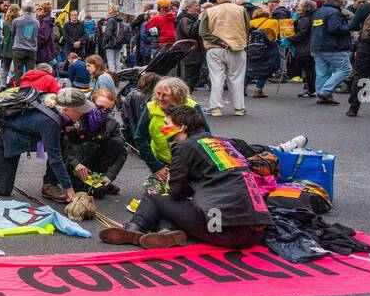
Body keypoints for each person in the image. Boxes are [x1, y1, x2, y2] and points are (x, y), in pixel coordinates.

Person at [100, 105, 269, 250]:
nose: (162, 128)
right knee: (174, 205)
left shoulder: (184, 147)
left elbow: (176, 191)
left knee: (155, 197)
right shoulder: (225, 142)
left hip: (222, 230)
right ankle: (164, 233)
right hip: (255, 231)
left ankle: (134, 228)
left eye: (166, 124)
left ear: (181, 127)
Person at [0, 88, 90, 203]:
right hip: (1, 141)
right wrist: (69, 188)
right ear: (66, 109)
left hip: (21, 138)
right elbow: (55, 159)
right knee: (2, 189)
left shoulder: (52, 101)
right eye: (80, 111)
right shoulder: (49, 122)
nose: (83, 113)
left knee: (62, 140)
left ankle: (49, 185)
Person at [133, 77, 210, 188]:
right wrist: (155, 166)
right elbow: (140, 137)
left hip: (188, 161)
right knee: (154, 194)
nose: (160, 98)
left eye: (164, 95)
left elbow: (206, 137)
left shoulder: (192, 107)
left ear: (177, 95)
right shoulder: (151, 107)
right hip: (161, 161)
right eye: (158, 94)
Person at [60, 88, 128, 199]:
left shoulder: (111, 123)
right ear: (91, 102)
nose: (103, 112)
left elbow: (123, 152)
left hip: (92, 163)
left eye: (108, 110)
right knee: (99, 193)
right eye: (99, 107)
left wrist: (109, 175)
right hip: (74, 164)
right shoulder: (75, 116)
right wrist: (75, 163)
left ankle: (100, 181)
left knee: (118, 143)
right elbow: (59, 145)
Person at [200, 0, 249, 117]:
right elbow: (247, 28)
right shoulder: (241, 9)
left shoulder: (210, 11)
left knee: (216, 78)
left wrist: (218, 41)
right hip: (237, 47)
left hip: (216, 49)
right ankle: (239, 108)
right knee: (237, 79)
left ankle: (215, 108)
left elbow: (203, 32)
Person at [310, 0, 352, 106]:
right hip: (331, 46)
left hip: (317, 45)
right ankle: (325, 91)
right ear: (338, 0)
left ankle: (321, 95)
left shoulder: (319, 11)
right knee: (345, 69)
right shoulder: (334, 12)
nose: (344, 1)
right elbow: (335, 29)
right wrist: (349, 26)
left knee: (322, 72)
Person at [246, 7, 283, 98]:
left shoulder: (251, 22)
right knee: (266, 68)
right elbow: (277, 35)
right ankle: (258, 89)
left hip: (253, 48)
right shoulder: (274, 22)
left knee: (250, 68)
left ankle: (243, 88)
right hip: (268, 48)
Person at [288, 0, 316, 99]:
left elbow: (303, 33)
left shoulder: (304, 19)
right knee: (310, 70)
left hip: (305, 47)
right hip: (308, 47)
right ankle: (311, 89)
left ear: (305, 9)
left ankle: (311, 90)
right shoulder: (306, 17)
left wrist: (291, 38)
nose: (297, 7)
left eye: (299, 6)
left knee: (309, 71)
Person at [174, 0, 204, 90]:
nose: (198, 7)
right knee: (190, 77)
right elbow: (191, 32)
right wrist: (199, 20)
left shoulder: (190, 18)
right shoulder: (184, 19)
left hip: (193, 51)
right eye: (196, 6)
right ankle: (185, 98)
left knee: (193, 76)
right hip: (189, 52)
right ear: (188, 7)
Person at [11, 1, 40, 83]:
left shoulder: (16, 21)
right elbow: (37, 34)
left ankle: (18, 91)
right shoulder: (37, 22)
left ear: (22, 8)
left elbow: (12, 33)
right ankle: (28, 91)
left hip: (18, 49)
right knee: (30, 74)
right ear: (32, 10)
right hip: (31, 50)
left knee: (18, 73)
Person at [98, 6, 129, 73]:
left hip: (110, 43)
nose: (108, 11)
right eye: (108, 9)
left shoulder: (110, 20)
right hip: (118, 42)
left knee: (110, 61)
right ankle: (119, 75)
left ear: (113, 11)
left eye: (110, 9)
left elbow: (108, 33)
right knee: (117, 60)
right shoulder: (120, 20)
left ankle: (113, 77)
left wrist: (104, 42)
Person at [0, 4, 20, 87]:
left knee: (5, 67)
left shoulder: (5, 22)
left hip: (6, 47)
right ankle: (17, 85)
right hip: (16, 45)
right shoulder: (18, 21)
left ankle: (2, 85)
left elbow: (4, 34)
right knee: (18, 68)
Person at [36, 2, 58, 66]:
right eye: (37, 9)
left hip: (44, 53)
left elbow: (42, 38)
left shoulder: (45, 22)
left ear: (46, 12)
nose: (37, 11)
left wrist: (34, 44)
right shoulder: (41, 21)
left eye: (40, 9)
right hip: (44, 52)